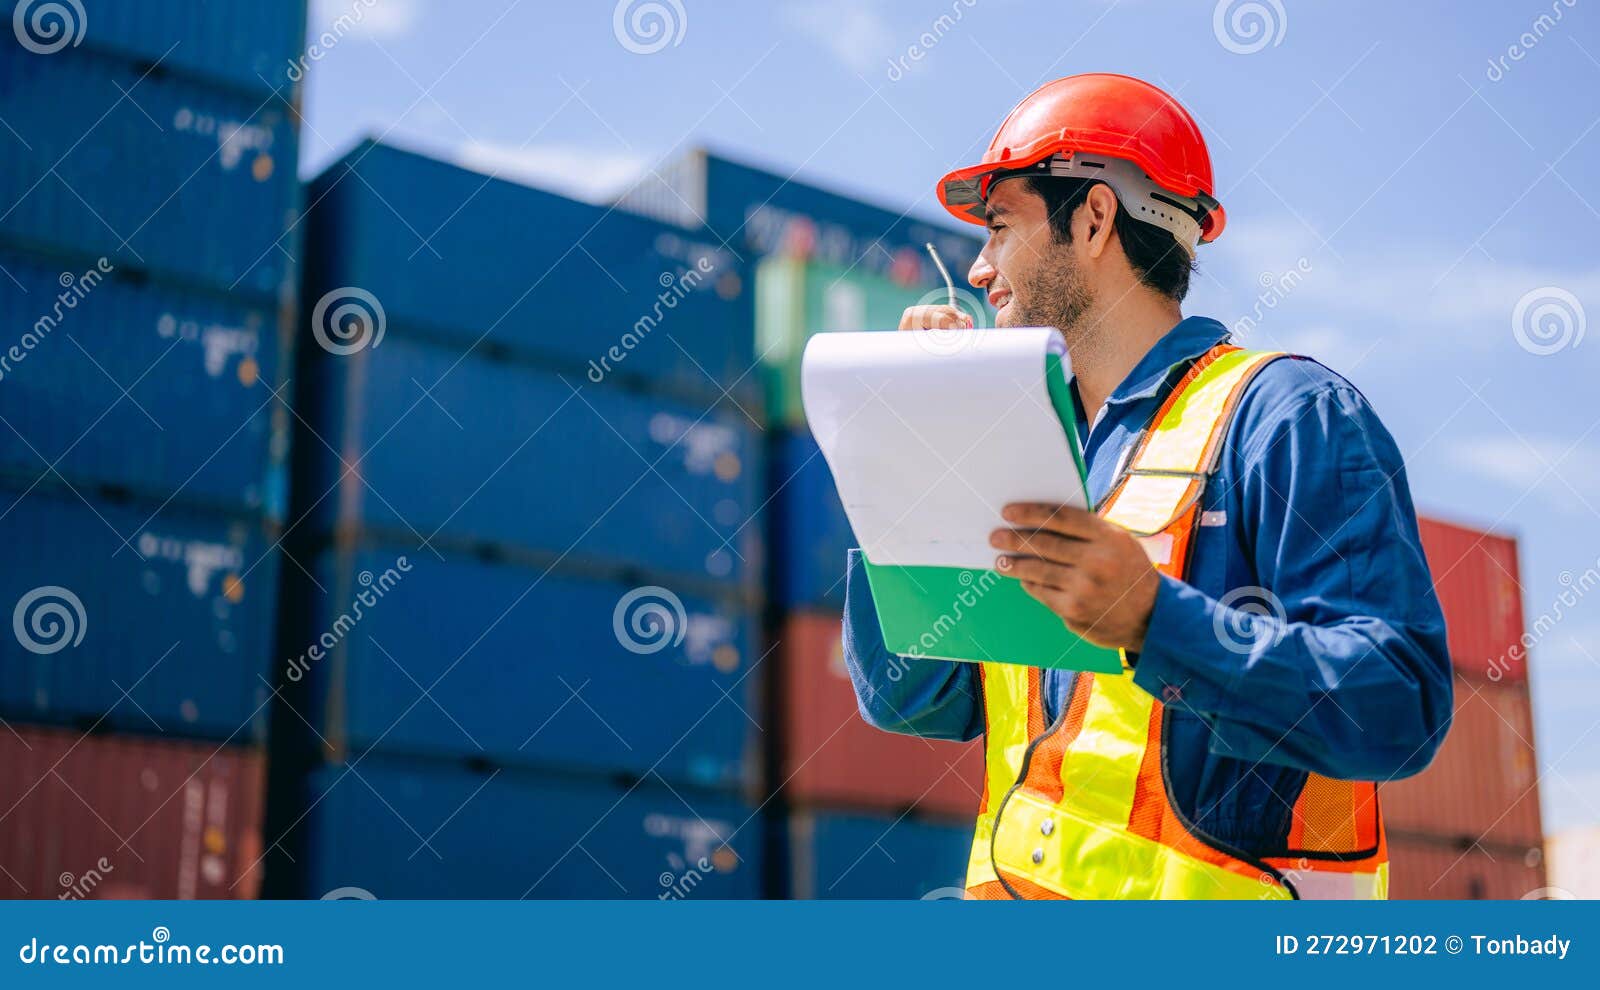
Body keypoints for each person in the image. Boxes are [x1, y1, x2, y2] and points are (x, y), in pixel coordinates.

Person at [842, 73, 1452, 900]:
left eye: (997, 227)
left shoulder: (1287, 416)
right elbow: (913, 701)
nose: (978, 270)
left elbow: (1399, 705)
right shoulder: (1030, 443)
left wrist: (1156, 622)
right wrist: (908, 459)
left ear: (1094, 219)